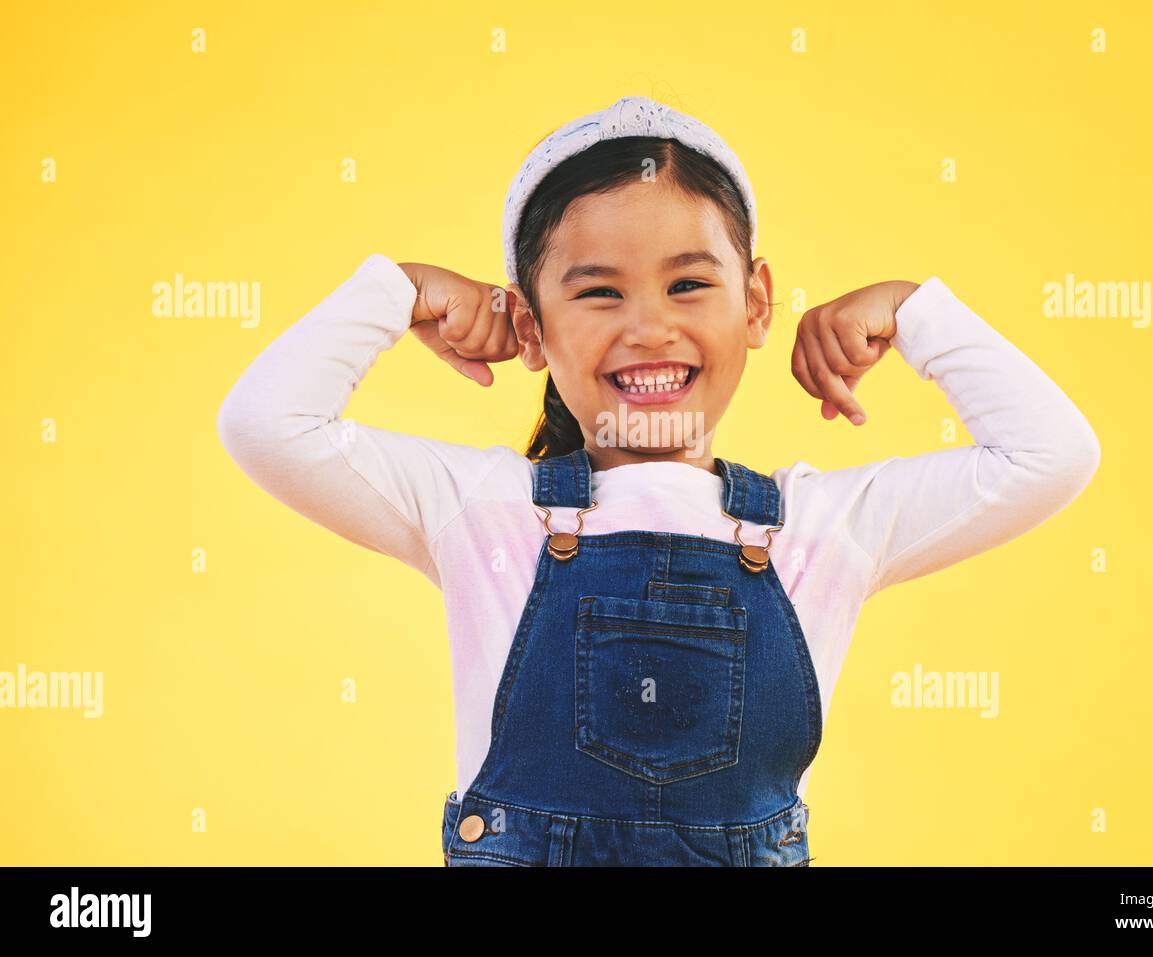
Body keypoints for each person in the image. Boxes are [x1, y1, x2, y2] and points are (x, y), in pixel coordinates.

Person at [217, 95, 1101, 866]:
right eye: (599, 292)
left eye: (688, 284)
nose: (648, 326)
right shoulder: (486, 513)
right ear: (527, 324)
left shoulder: (816, 528)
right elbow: (266, 424)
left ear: (756, 303)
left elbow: (1051, 454)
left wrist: (916, 313)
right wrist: (398, 291)